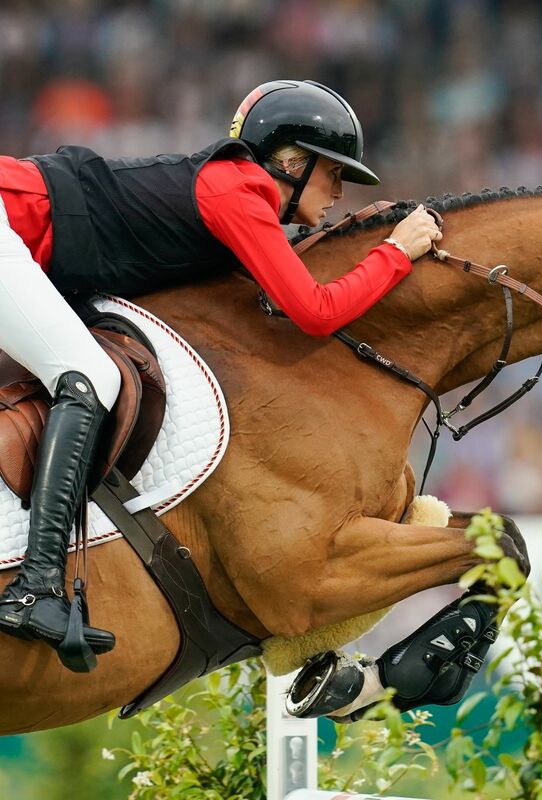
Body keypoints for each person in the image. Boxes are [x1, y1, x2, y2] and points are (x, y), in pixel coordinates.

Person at [0, 79, 441, 673]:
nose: (339, 191)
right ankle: (35, 588)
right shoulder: (239, 190)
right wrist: (395, 252)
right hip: (10, 222)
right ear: (291, 162)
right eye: (333, 173)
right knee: (90, 377)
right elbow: (314, 311)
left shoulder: (234, 192)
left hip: (22, 236)